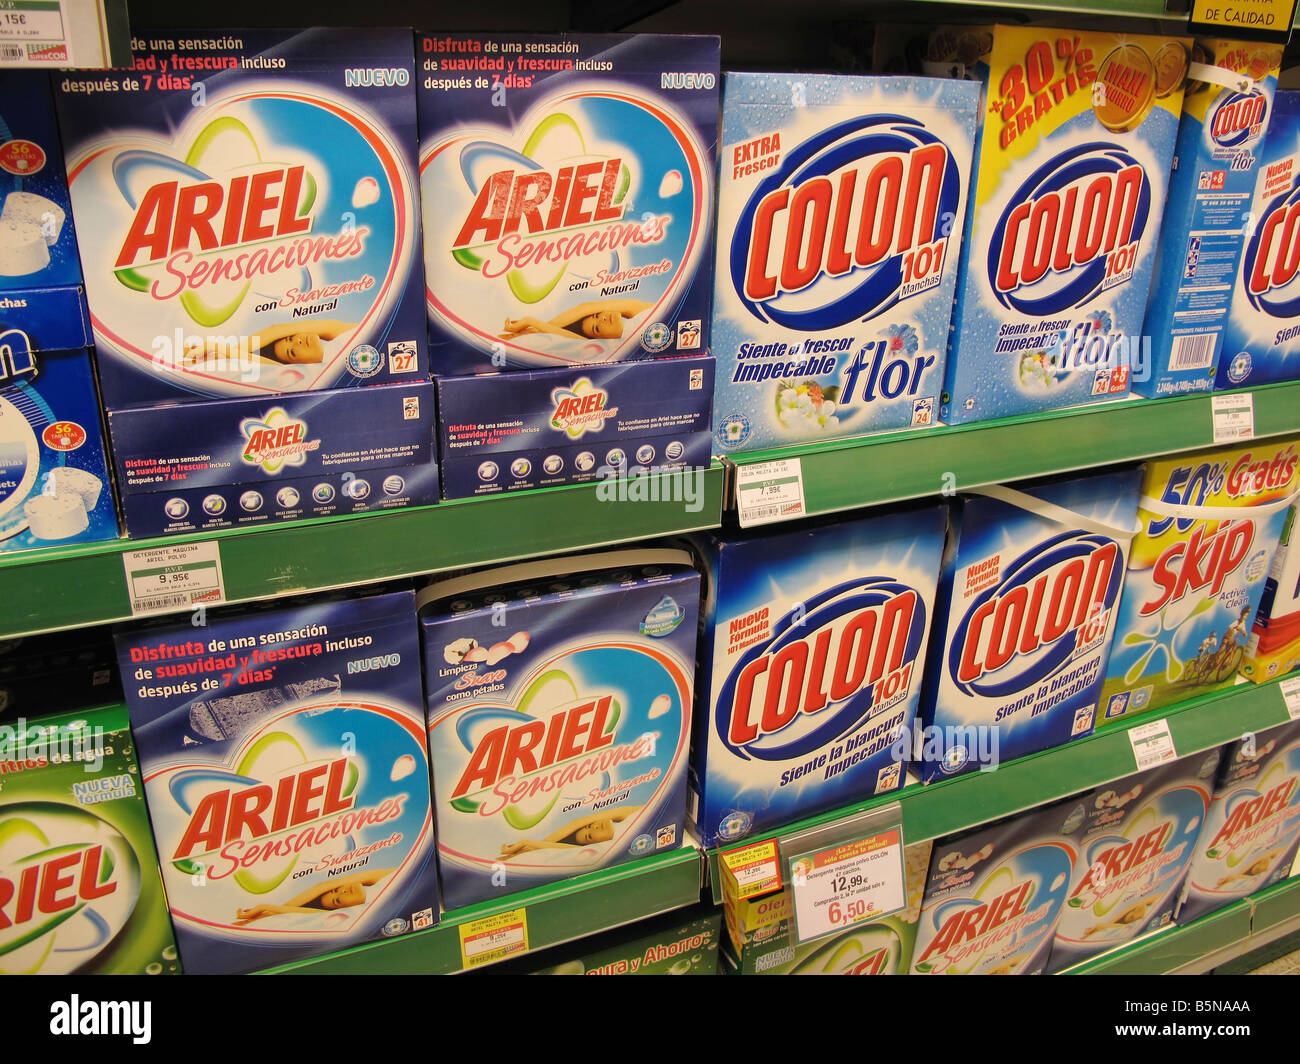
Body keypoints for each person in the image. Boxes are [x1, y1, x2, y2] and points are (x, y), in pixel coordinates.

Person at [232, 868, 392, 924]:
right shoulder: (361, 912)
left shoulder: (377, 878)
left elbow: (322, 886)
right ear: (345, 908)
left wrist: (261, 911)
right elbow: (302, 913)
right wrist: (264, 909)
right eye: (337, 900)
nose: (342, 891)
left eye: (335, 890)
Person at [183, 320, 357, 367]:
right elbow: (251, 360)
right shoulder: (316, 372)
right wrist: (215, 349)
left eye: (290, 338)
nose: (298, 341)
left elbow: (276, 329)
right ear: (296, 365)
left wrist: (213, 351)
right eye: (292, 353)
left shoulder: (336, 331)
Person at [499, 807, 640, 859]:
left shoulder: (625, 814)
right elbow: (558, 848)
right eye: (589, 836)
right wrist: (526, 843)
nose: (594, 827)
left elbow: (578, 822)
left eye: (589, 826)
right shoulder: (610, 847)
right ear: (595, 845)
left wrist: (522, 846)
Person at [498, 299, 654, 342]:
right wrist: (530, 321)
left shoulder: (635, 310)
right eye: (597, 329)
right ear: (600, 340)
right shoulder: (613, 346)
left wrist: (529, 328)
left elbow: (586, 307)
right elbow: (563, 335)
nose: (603, 319)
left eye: (596, 315)